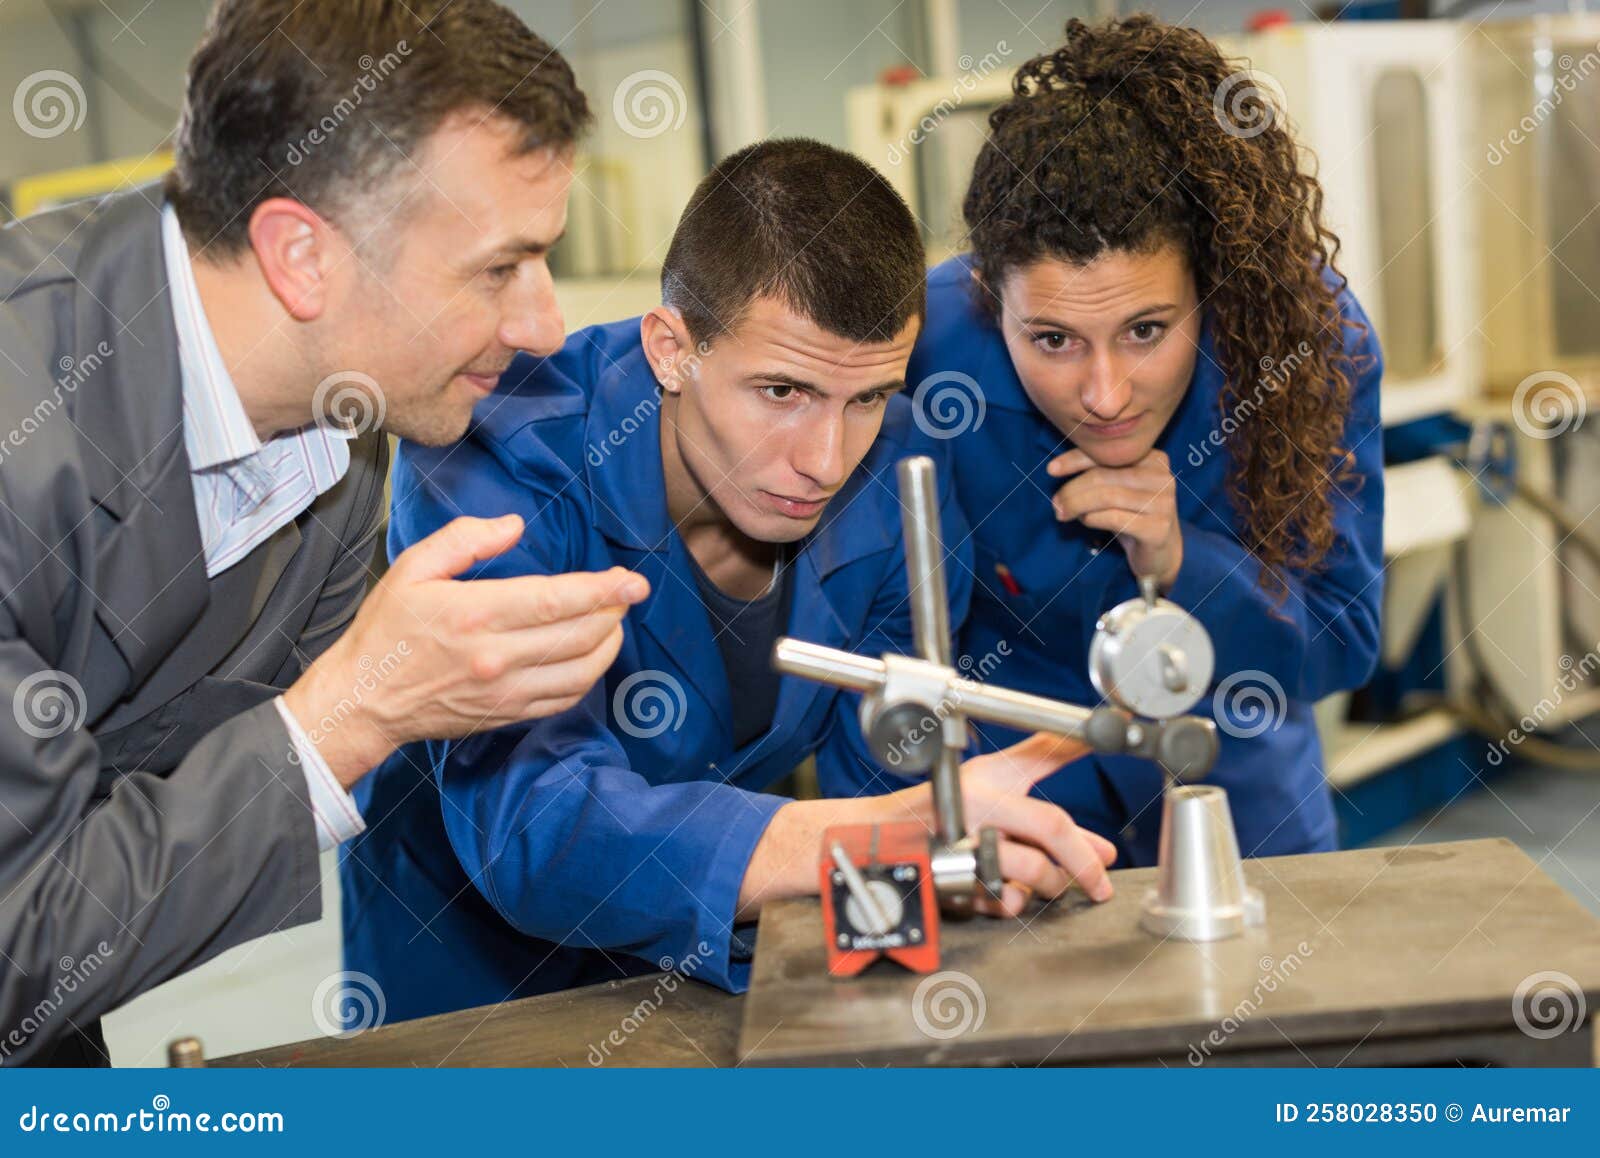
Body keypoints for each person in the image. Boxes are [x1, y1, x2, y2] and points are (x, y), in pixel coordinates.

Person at [0, 0, 647, 1066]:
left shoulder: (340, 440)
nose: (542, 325)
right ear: (301, 256)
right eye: (498, 268)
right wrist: (353, 711)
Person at [343, 140, 1117, 1024]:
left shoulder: (899, 468)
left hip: (732, 942)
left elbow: (888, 791)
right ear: (673, 348)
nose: (825, 460)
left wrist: (922, 943)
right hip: (471, 966)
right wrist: (859, 843)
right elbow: (538, 827)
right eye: (781, 391)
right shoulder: (500, 455)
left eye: (865, 397)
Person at [900, 16, 1385, 865]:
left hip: (1239, 786)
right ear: (989, 295)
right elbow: (873, 636)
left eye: (1147, 330)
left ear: (1210, 282)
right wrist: (921, 824)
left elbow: (1340, 643)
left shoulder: (1305, 345)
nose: (1105, 393)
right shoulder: (926, 351)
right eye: (1052, 340)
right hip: (1014, 794)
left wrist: (1182, 562)